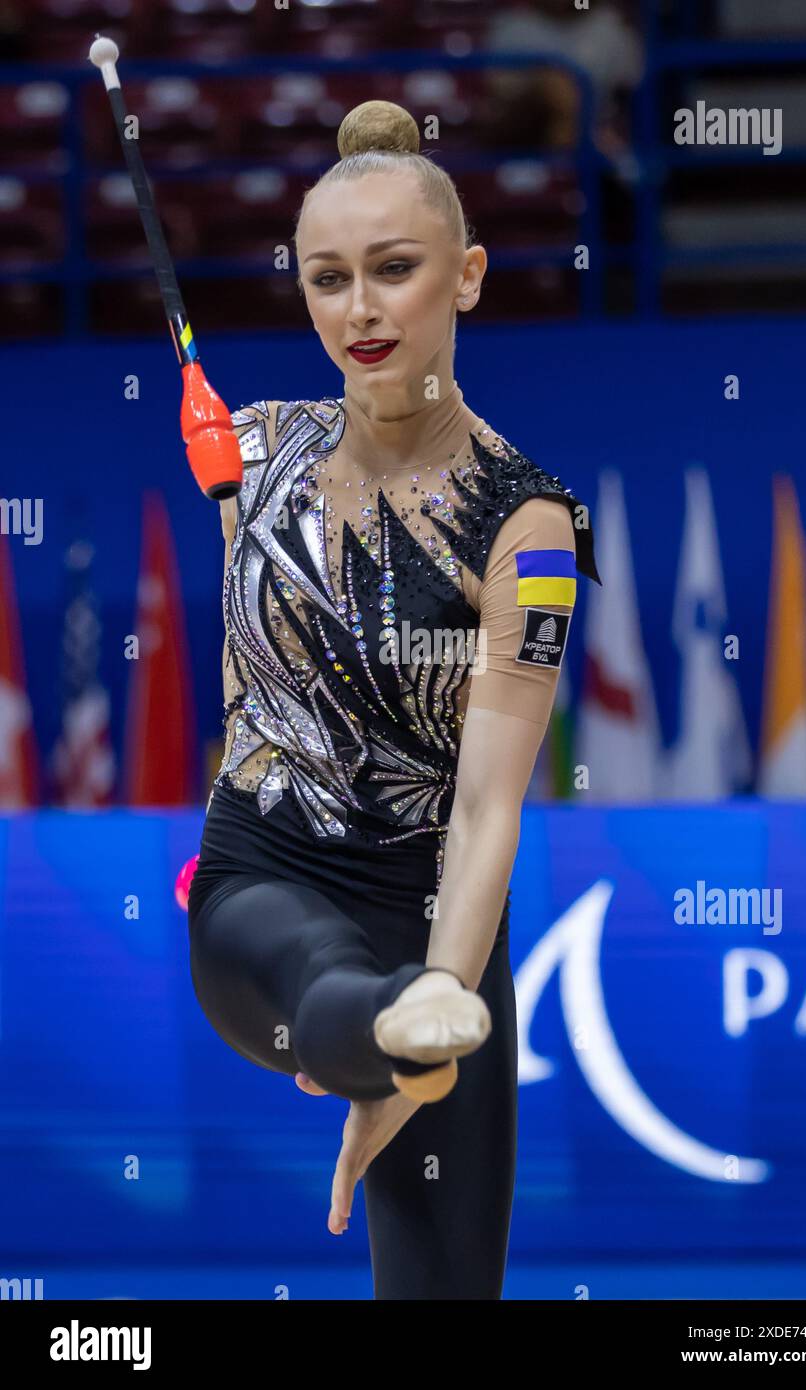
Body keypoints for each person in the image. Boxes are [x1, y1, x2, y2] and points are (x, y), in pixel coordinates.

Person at [186, 98, 599, 1300]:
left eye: (393, 270)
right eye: (326, 279)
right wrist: (388, 1047)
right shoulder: (252, 453)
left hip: (440, 948)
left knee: (444, 1292)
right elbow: (242, 626)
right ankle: (376, 1035)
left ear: (466, 275)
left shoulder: (525, 531)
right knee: (324, 973)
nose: (358, 311)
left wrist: (436, 1003)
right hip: (261, 894)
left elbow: (484, 812)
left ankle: (395, 1034)